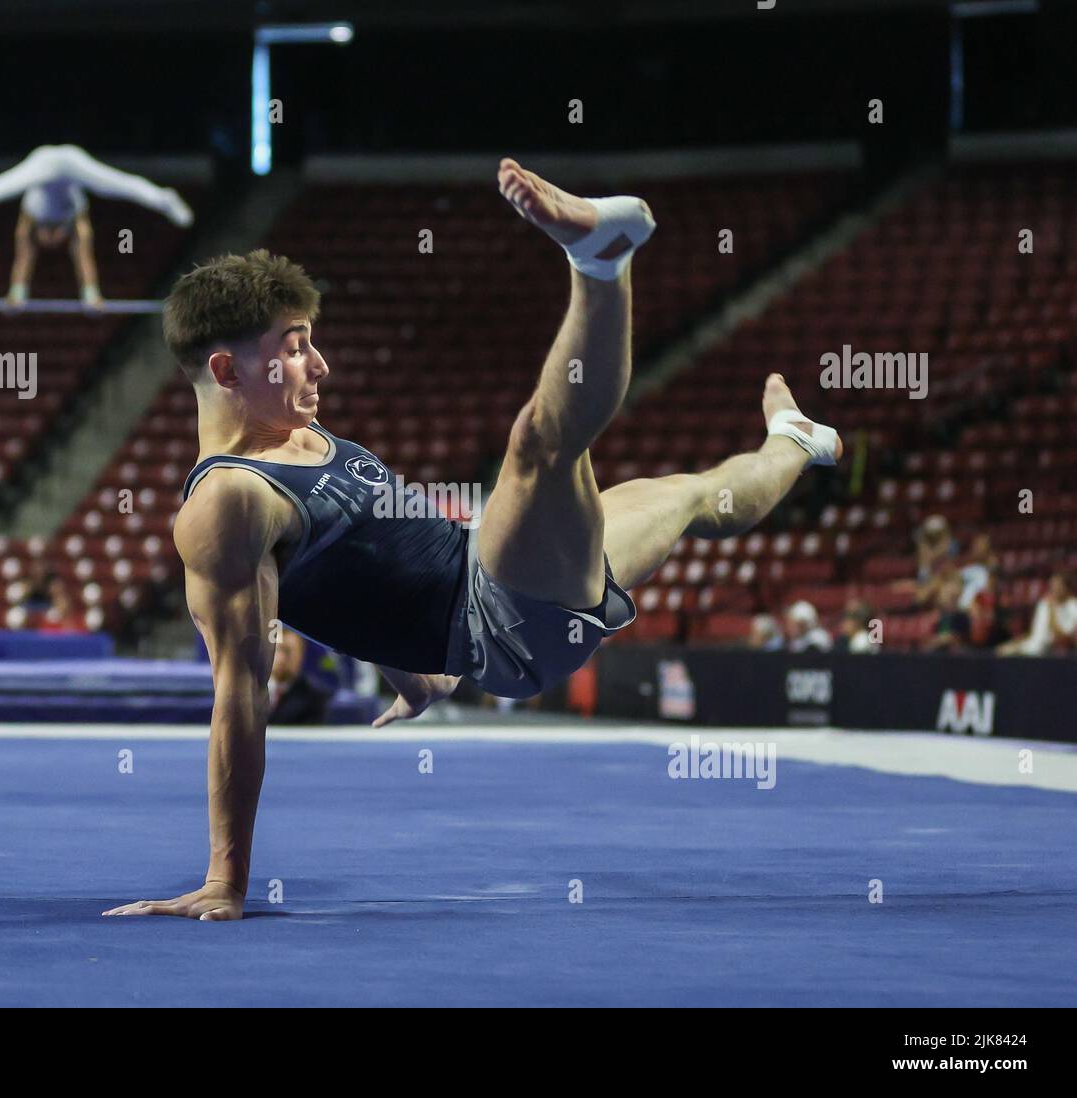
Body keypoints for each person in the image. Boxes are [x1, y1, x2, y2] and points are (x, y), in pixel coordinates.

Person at [103, 159, 842, 922]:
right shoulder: (227, 500)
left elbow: (359, 567)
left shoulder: (301, 439)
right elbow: (241, 691)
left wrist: (415, 676)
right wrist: (226, 882)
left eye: (311, 341)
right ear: (226, 368)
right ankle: (602, 261)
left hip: (492, 579)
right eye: (293, 347)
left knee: (693, 495)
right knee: (540, 446)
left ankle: (795, 441)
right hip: (500, 618)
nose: (318, 364)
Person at [0, 144, 194, 307]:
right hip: (64, 164)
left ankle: (164, 198)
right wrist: (91, 294)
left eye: (49, 238)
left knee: (3, 188)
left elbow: (26, 256)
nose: (54, 238)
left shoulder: (30, 218)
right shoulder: (75, 218)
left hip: (49, 163)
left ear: (40, 235)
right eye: (57, 238)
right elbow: (81, 253)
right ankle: (163, 197)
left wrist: (17, 292)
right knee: (116, 186)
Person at [997, 571, 1077, 656]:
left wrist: (1052, 609)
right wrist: (1015, 643)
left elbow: (1062, 637)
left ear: (1066, 587)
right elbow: (1035, 633)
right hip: (1032, 648)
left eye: (1058, 585)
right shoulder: (1044, 604)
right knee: (1000, 651)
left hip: (1048, 652)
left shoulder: (1072, 606)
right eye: (1052, 585)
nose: (1054, 589)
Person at [267, 628, 332, 725]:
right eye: (278, 649)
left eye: (288, 651)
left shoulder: (316, 698)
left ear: (301, 654)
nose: (282, 658)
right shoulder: (249, 690)